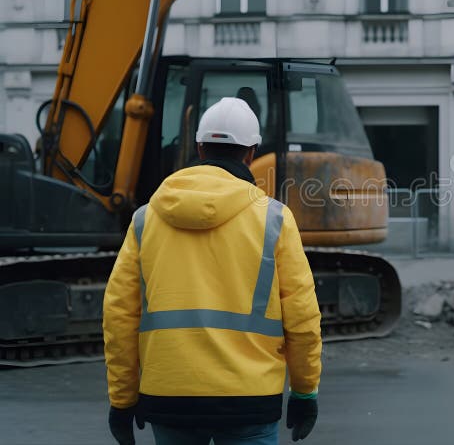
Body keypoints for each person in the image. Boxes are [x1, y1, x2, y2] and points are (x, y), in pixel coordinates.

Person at [103, 97, 322, 445]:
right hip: (249, 399)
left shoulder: (145, 219)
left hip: (169, 395)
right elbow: (302, 317)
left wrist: (122, 399)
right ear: (251, 153)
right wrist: (304, 391)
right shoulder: (275, 219)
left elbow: (119, 315)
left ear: (200, 147)